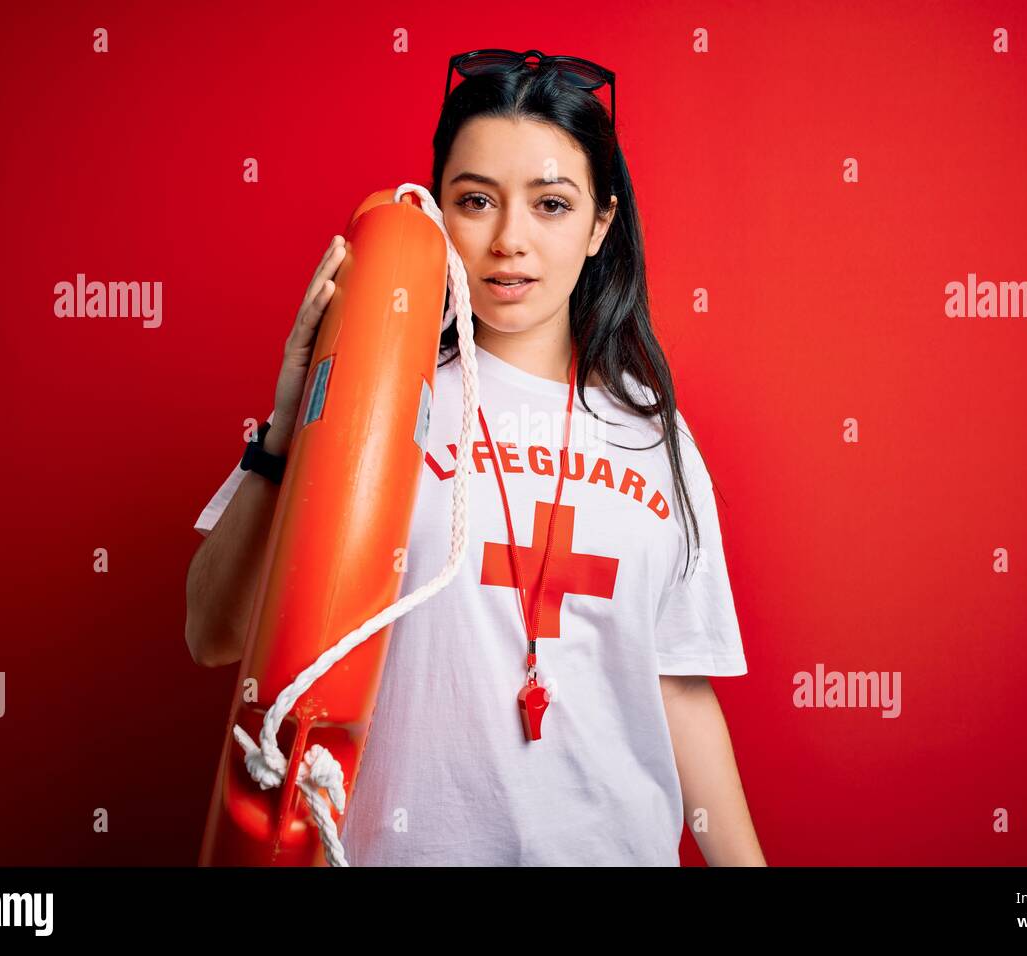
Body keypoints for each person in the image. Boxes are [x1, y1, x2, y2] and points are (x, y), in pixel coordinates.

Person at [185, 50, 765, 866]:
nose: (509, 241)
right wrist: (287, 427)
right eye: (476, 201)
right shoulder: (368, 398)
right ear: (437, 216)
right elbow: (211, 633)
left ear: (601, 225)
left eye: (552, 204)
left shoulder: (655, 436)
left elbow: (676, 689)